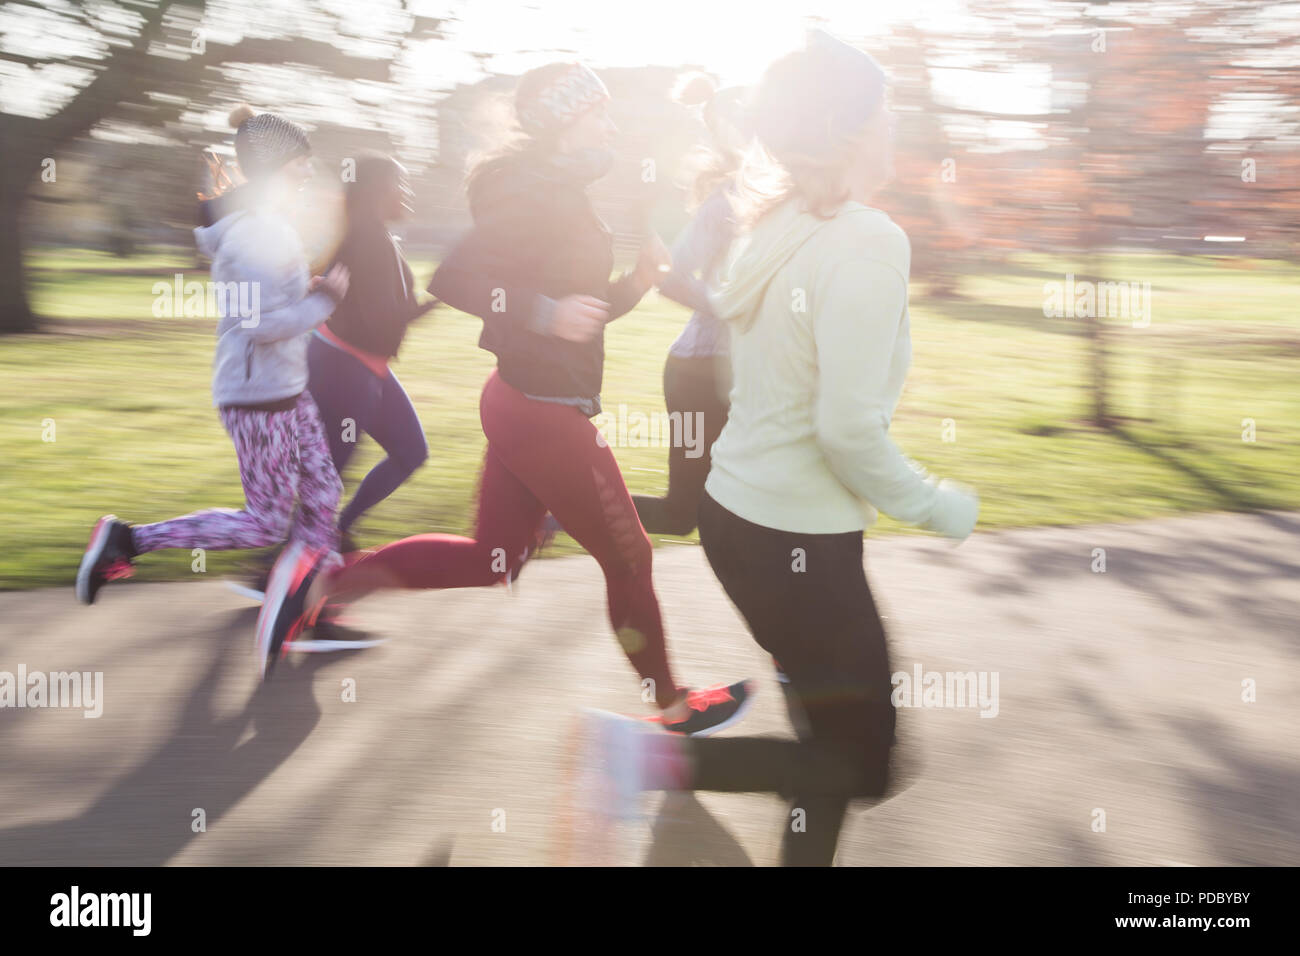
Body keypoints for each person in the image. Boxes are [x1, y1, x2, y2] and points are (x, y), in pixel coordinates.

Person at [582, 31, 980, 864]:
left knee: (825, 740)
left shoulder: (775, 223)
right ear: (849, 130)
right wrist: (935, 503)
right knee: (859, 761)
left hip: (742, 523)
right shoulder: (867, 238)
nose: (896, 120)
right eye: (886, 106)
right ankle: (646, 757)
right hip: (799, 541)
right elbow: (845, 429)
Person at [268, 63, 754, 735]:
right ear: (565, 119)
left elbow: (582, 314)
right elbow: (459, 276)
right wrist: (542, 309)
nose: (610, 125)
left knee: (490, 558)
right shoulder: (530, 192)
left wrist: (635, 284)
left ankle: (322, 586)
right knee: (631, 558)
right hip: (543, 411)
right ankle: (671, 705)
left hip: (526, 401)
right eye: (599, 113)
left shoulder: (566, 191)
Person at [76, 105, 350, 677]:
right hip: (257, 398)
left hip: (285, 390)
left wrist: (309, 291)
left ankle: (294, 599)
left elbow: (273, 307)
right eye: (300, 166)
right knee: (267, 522)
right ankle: (127, 541)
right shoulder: (255, 235)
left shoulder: (268, 227)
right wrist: (324, 302)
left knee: (324, 491)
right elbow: (260, 324)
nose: (307, 175)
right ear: (276, 169)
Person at [630, 74, 745, 537]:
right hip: (697, 374)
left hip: (744, 373)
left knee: (746, 502)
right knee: (683, 515)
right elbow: (669, 277)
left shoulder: (790, 202)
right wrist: (730, 306)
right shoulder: (725, 203)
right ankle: (558, 509)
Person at [307, 153, 435, 549]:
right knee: (330, 477)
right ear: (380, 190)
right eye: (402, 183)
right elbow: (383, 320)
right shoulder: (365, 239)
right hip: (344, 370)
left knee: (410, 450)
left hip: (365, 367)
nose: (409, 192)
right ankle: (285, 571)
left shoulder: (374, 234)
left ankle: (338, 531)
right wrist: (433, 301)